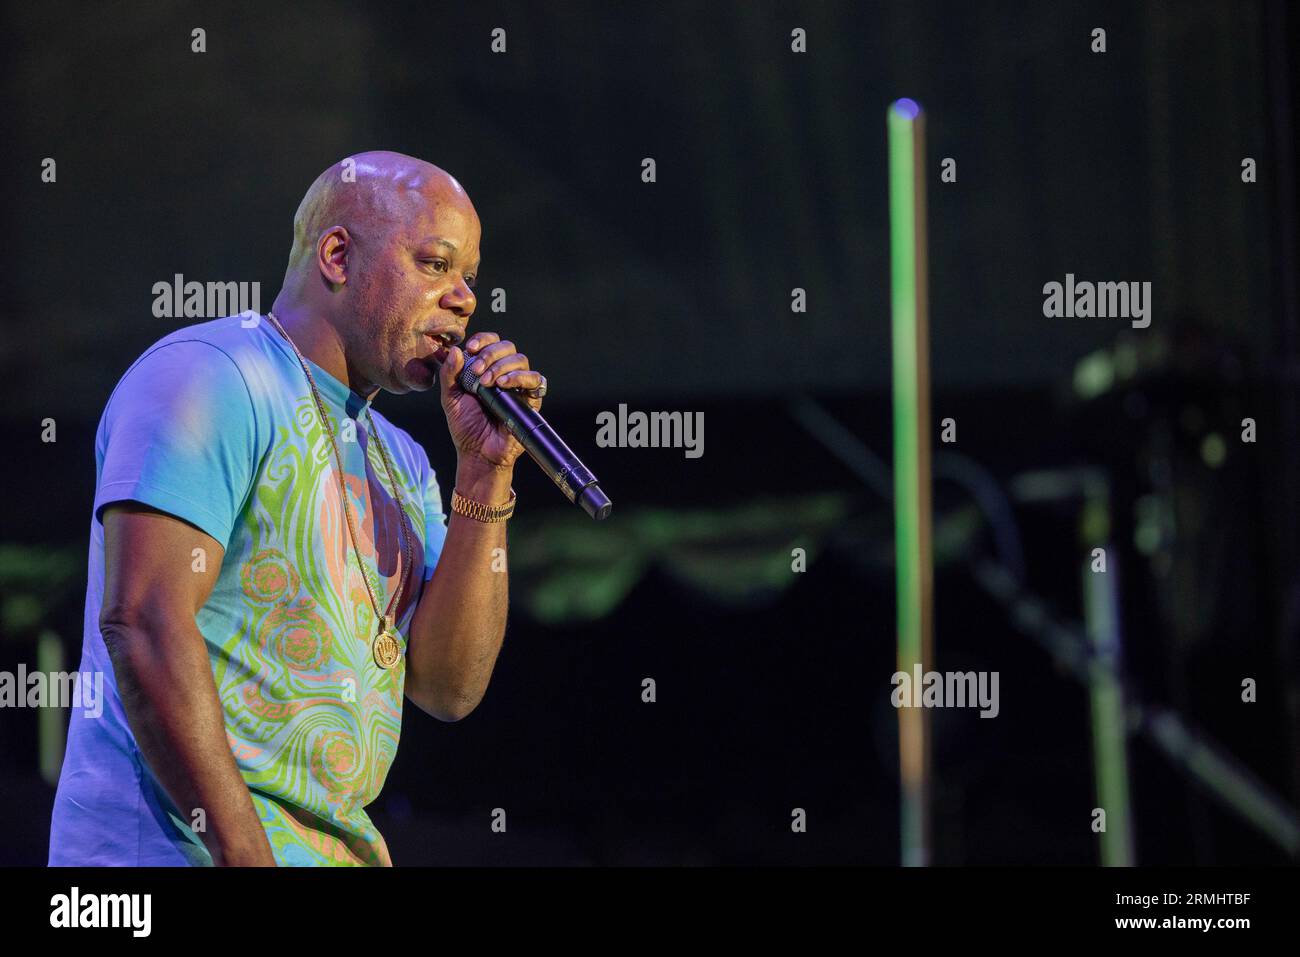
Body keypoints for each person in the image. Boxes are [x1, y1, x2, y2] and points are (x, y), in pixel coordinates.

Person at [49, 151, 546, 866]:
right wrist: (249, 857)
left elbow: (448, 686)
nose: (465, 298)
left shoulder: (402, 460)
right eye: (436, 264)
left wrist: (486, 473)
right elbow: (144, 620)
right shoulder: (211, 373)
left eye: (469, 276)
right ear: (338, 255)